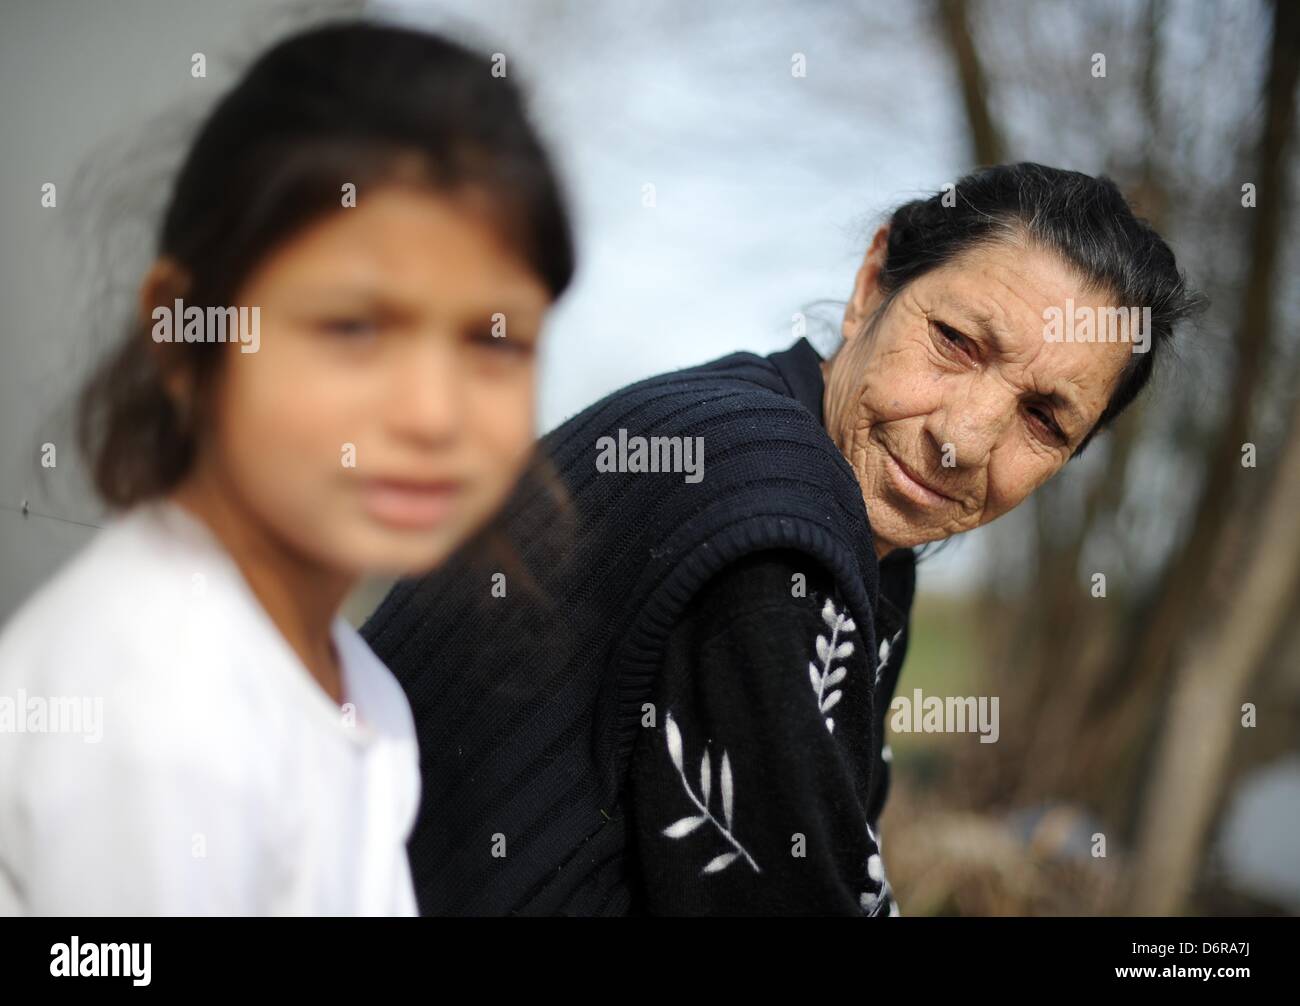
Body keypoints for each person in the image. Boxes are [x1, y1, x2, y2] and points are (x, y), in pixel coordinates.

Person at [364, 162, 1201, 915]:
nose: (966, 438)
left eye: (1045, 419)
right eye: (956, 343)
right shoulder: (770, 512)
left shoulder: (820, 492)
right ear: (872, 284)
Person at [0, 21, 574, 915]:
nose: (432, 413)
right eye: (352, 328)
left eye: (493, 342)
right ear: (186, 333)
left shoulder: (358, 688)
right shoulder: (154, 703)